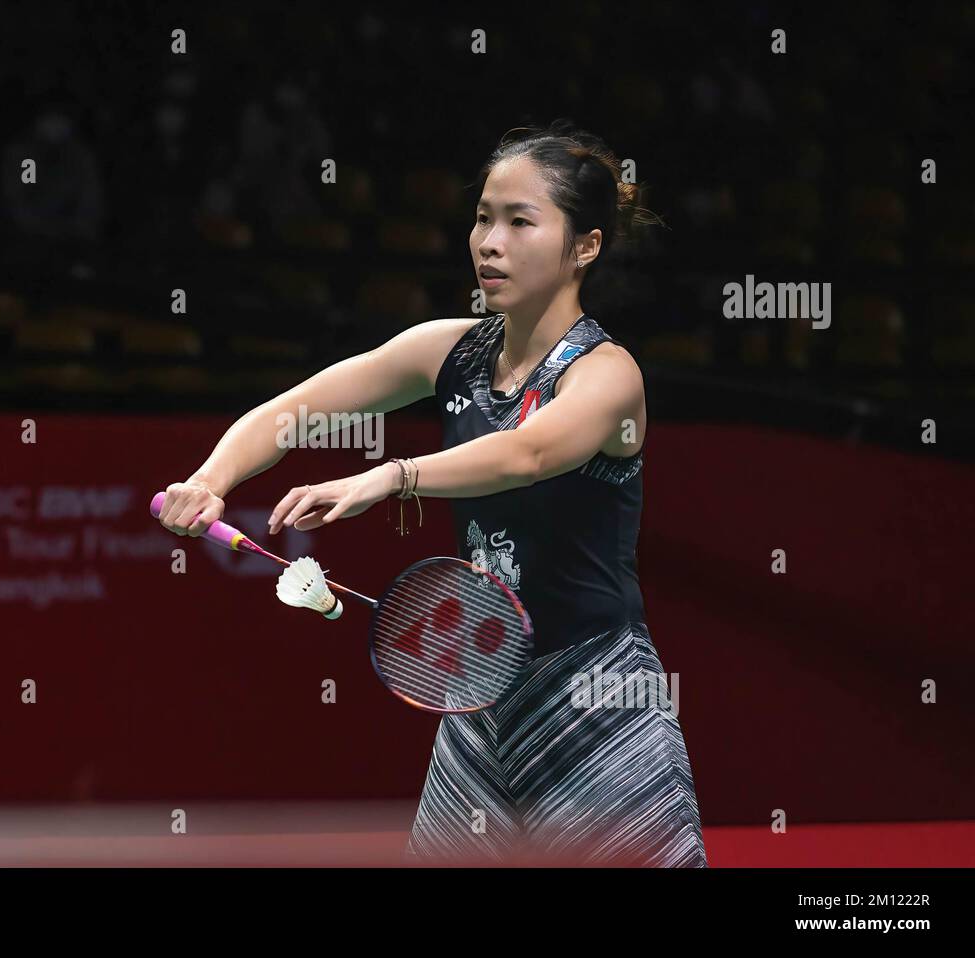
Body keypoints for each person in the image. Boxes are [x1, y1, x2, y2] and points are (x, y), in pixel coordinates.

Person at [158, 120, 707, 866]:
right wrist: (209, 480)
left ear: (585, 247)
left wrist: (395, 476)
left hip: (595, 695)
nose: (490, 241)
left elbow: (528, 452)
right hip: (479, 696)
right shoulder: (449, 350)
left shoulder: (608, 375)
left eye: (520, 222)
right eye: (483, 217)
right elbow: (293, 412)